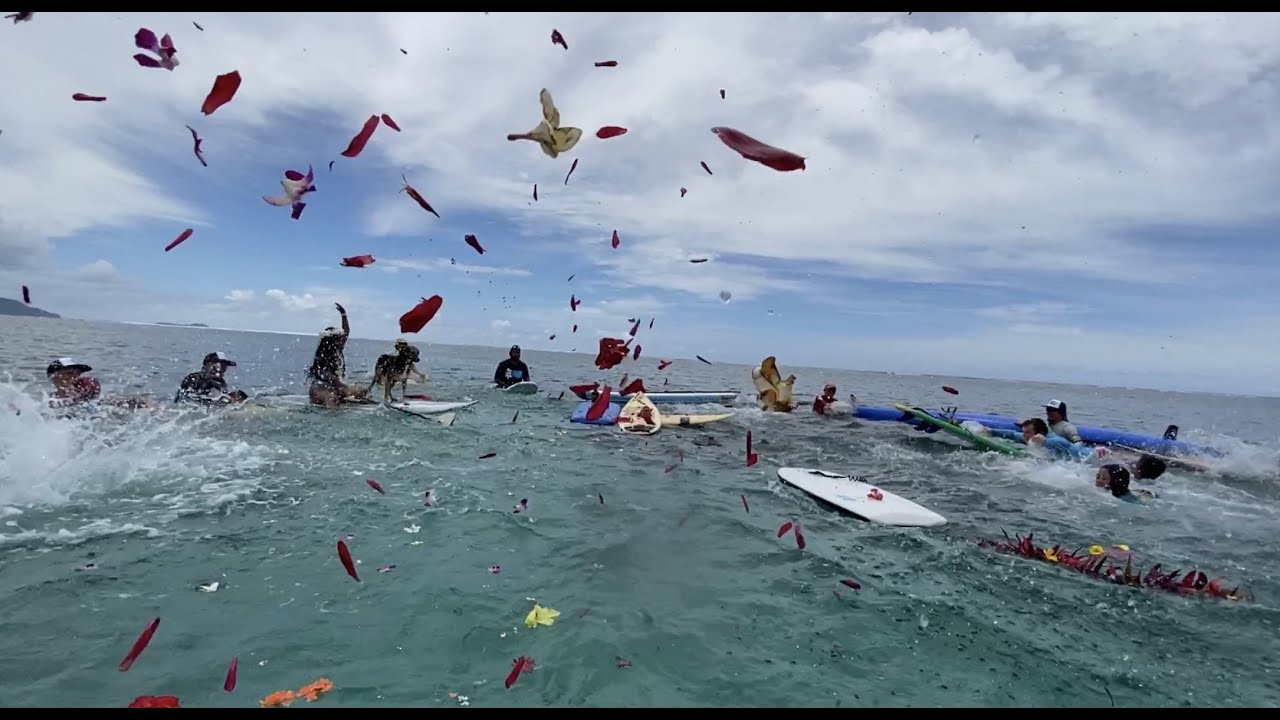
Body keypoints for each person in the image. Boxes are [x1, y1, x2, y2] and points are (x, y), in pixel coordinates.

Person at [306, 303, 370, 408]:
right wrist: (343, 388)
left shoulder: (336, 349)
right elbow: (332, 379)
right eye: (339, 339)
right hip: (320, 390)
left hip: (332, 387)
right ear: (332, 341)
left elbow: (346, 332)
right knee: (332, 400)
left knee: (363, 391)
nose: (342, 340)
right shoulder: (323, 357)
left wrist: (344, 315)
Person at [47, 358, 152, 410]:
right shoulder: (48, 401)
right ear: (53, 376)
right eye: (68, 373)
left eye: (77, 373)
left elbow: (103, 400)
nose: (74, 377)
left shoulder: (84, 388)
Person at [176, 351, 243, 405]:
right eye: (218, 365)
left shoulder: (221, 383)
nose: (221, 370)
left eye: (224, 366)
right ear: (208, 364)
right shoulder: (195, 378)